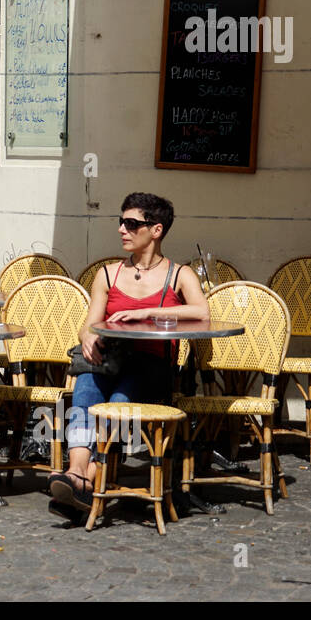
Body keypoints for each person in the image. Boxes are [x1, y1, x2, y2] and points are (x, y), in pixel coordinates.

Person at [48, 192, 208, 524]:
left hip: (152, 366)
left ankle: (83, 482)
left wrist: (148, 311)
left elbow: (201, 312)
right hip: (109, 360)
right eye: (121, 222)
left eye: (132, 224)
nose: (122, 229)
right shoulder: (108, 274)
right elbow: (89, 323)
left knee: (117, 404)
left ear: (156, 230)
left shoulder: (178, 276)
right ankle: (77, 471)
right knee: (85, 392)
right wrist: (88, 335)